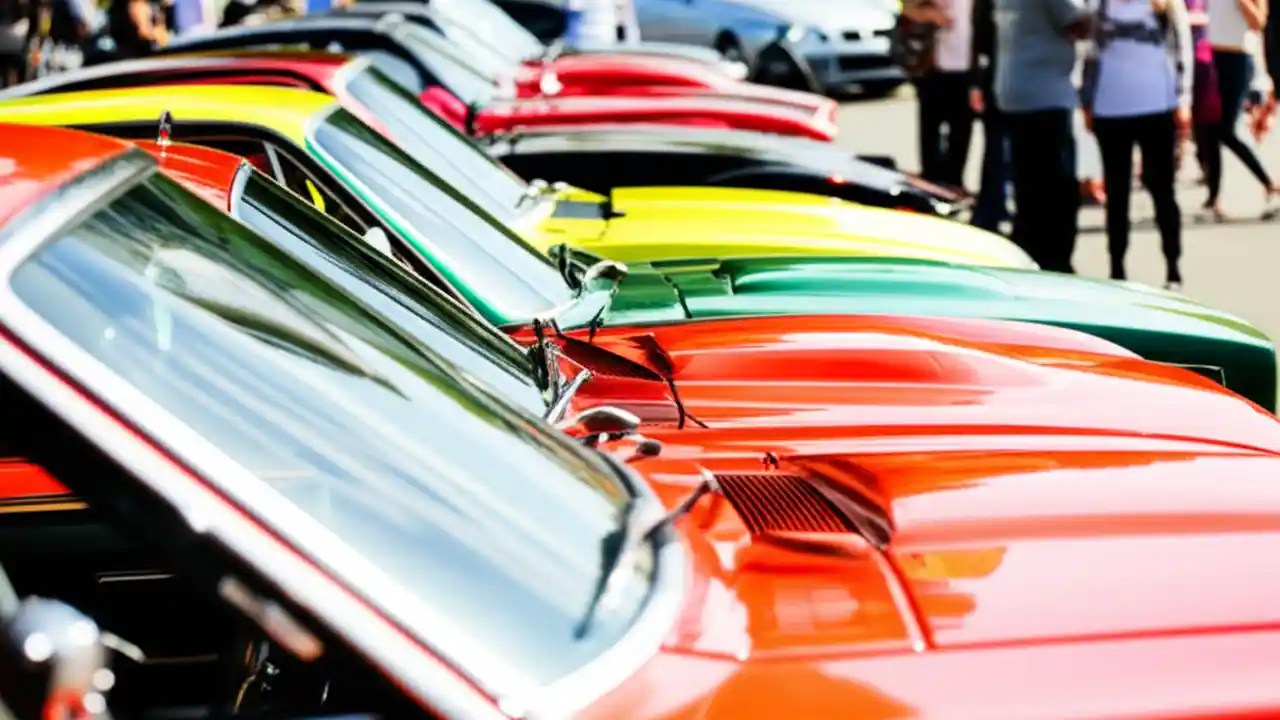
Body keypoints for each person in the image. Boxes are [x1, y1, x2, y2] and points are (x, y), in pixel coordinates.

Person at [1082, 0, 1193, 288]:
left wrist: (1183, 100)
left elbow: (1183, 50)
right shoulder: (1100, 5)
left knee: (1162, 189)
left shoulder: (1165, 6)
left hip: (1156, 105)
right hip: (1111, 107)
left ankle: (1173, 266)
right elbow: (1090, 52)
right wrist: (1087, 100)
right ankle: (1117, 268)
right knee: (1117, 194)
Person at [994, 0, 1092, 273]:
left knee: (1029, 188)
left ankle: (1031, 257)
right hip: (1045, 94)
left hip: (1015, 89)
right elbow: (1080, 24)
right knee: (1058, 191)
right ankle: (1055, 264)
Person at [1207, 0, 1277, 218]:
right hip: (1211, 55)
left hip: (1238, 58)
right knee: (1210, 128)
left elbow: (1259, 22)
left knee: (1225, 130)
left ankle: (1268, 182)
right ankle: (1214, 197)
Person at [905, 0, 975, 186]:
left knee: (961, 130)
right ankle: (932, 180)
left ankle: (954, 181)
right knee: (931, 128)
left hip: (969, 66)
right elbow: (908, 7)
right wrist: (932, 15)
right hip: (935, 66)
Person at [969, 0, 1012, 231]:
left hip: (1007, 77)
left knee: (1003, 151)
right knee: (996, 149)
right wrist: (977, 83)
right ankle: (991, 209)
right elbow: (980, 40)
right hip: (996, 79)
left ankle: (997, 206)